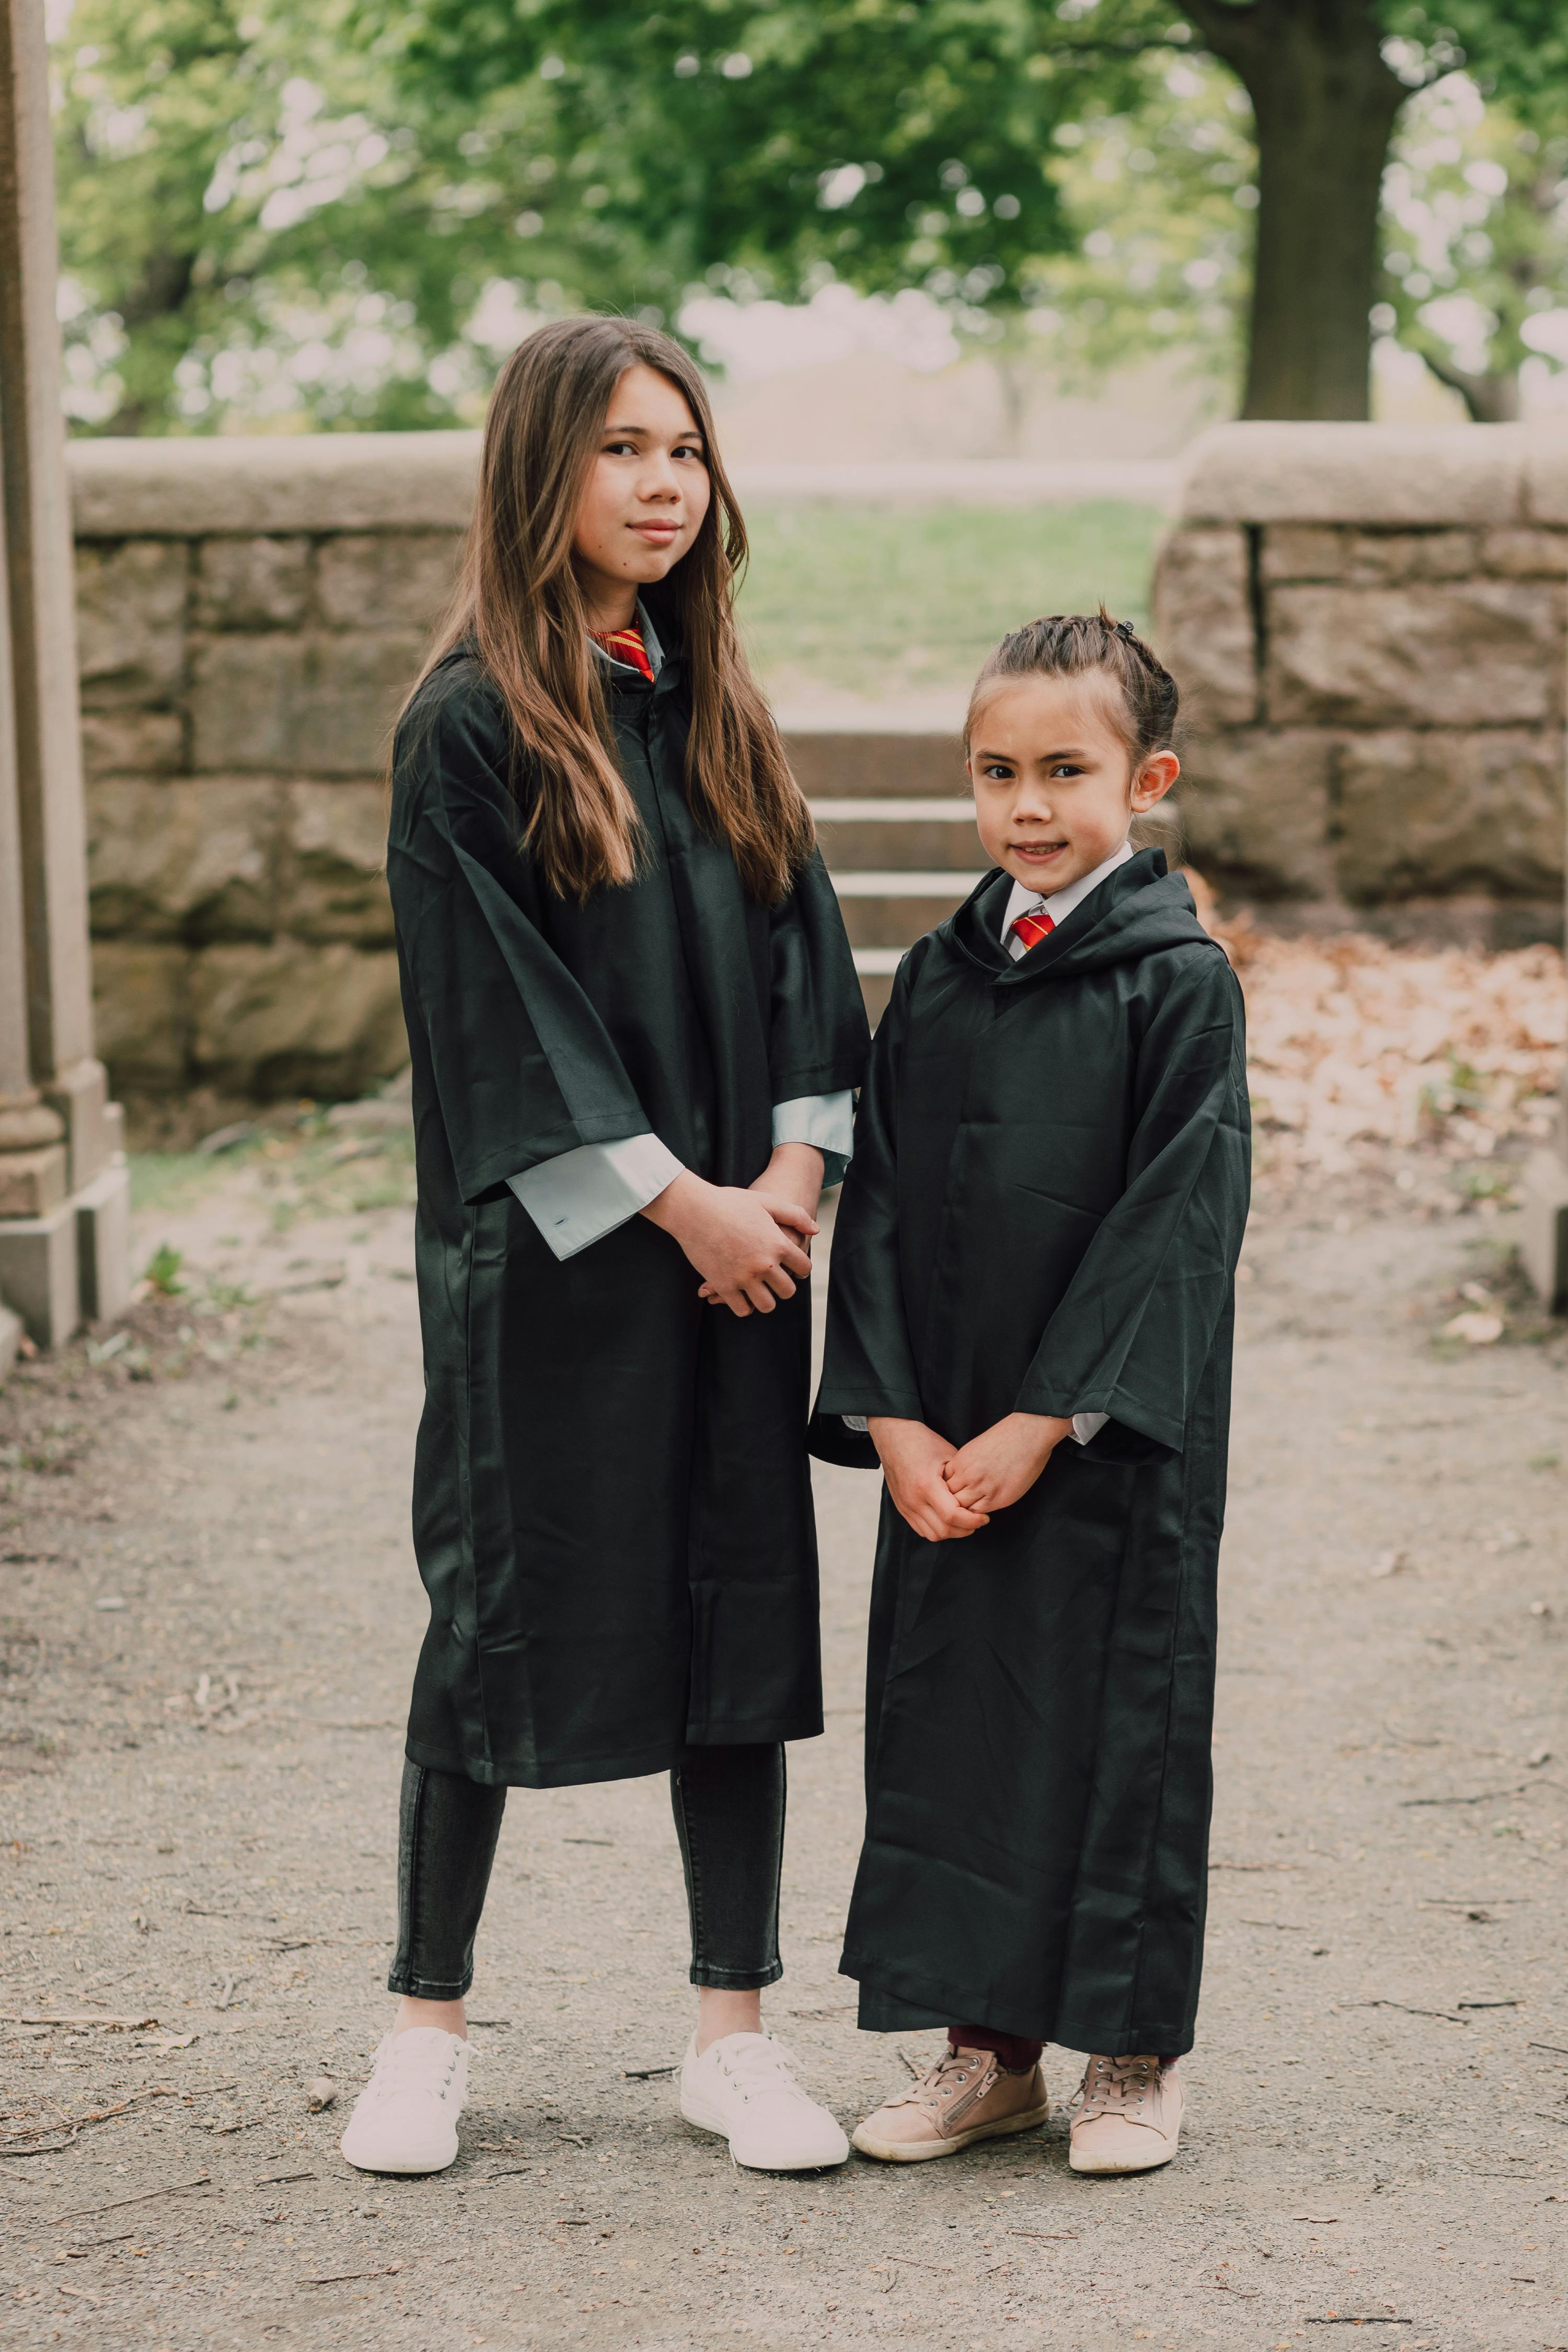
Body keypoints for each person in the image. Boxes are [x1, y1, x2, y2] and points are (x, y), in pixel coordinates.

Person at [340, 317, 869, 2178]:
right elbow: (500, 1012)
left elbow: (807, 956)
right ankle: (424, 2029)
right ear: (537, 470)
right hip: (561, 1273)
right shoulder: (469, 724)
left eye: (686, 452)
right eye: (622, 450)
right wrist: (685, 1206)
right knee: (496, 1615)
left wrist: (790, 1184)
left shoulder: (719, 710)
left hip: (742, 1255)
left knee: (738, 1613)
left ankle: (734, 2030)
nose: (661, 484)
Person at [811, 611, 1249, 2177]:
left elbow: (1174, 1221)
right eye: (999, 772)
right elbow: (879, 1203)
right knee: (957, 1725)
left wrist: (1043, 1417)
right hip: (949, 1436)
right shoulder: (938, 975)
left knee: (1118, 1723)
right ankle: (987, 2052)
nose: (1030, 807)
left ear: (1149, 778)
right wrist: (898, 1417)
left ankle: (1131, 2052)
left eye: (1067, 769)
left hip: (1105, 1445)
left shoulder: (1178, 983)